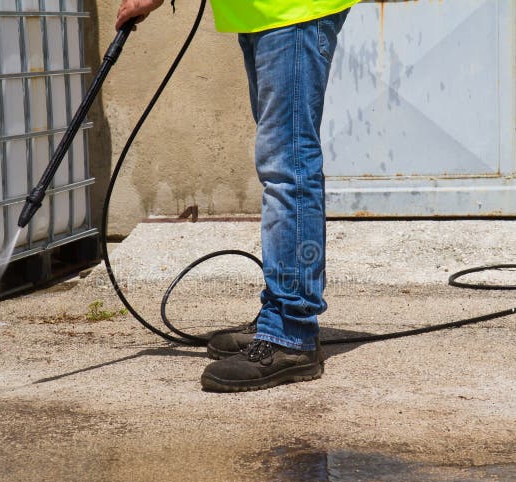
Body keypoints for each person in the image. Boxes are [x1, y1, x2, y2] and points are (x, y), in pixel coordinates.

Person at [116, 0, 357, 392]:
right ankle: (279, 315)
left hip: (292, 10)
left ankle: (291, 333)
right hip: (260, 12)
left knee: (288, 167)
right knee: (282, 163)